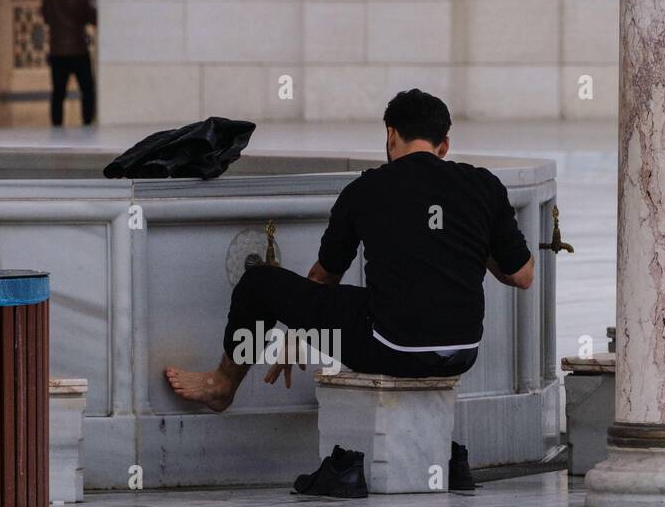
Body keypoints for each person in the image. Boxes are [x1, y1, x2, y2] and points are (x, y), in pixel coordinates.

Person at [165, 89, 534, 468]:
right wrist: (473, 237)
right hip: (461, 352)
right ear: (445, 144)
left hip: (391, 348)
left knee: (259, 283)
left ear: (391, 135)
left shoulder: (366, 189)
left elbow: (322, 279)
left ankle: (222, 385)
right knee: (379, 303)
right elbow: (522, 275)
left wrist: (297, 329)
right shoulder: (484, 185)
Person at [41, 0, 97, 126]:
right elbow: (93, 19)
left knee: (58, 92)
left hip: (57, 50)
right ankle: (87, 123)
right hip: (79, 50)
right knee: (87, 90)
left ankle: (57, 126)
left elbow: (46, 17)